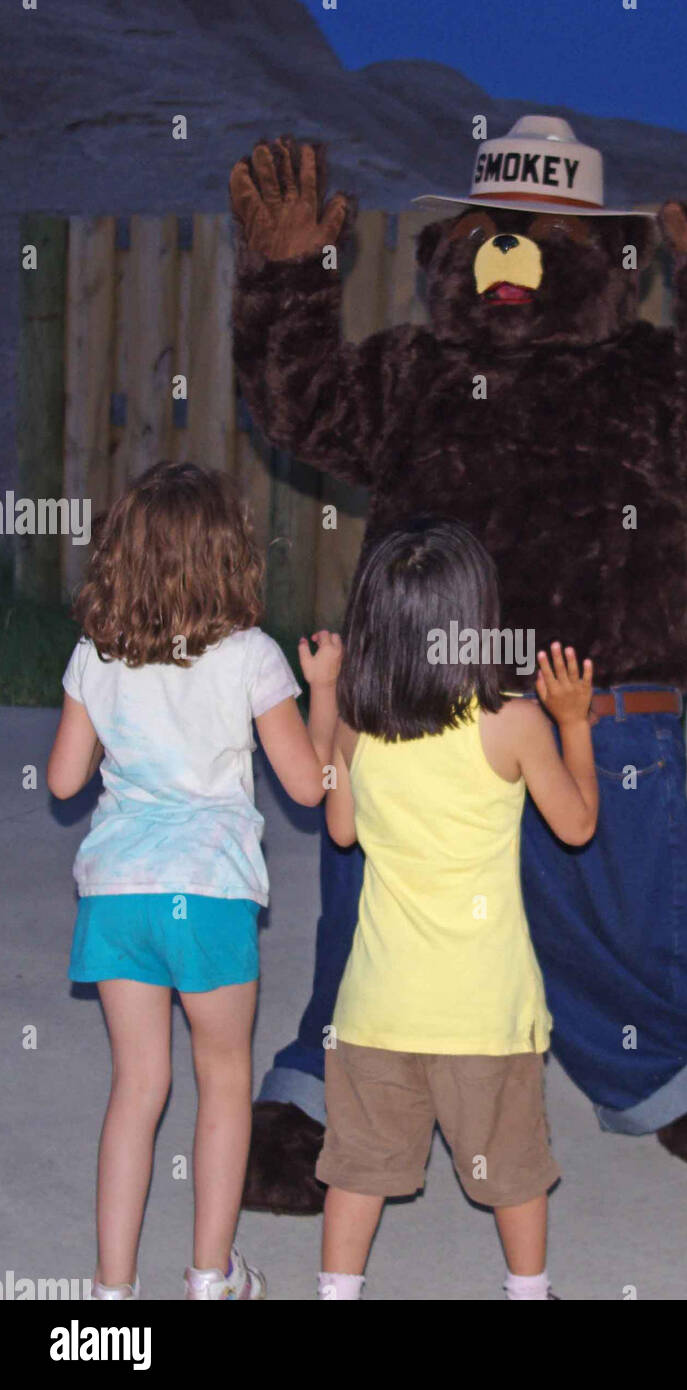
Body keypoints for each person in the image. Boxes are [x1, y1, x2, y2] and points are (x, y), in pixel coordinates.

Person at [47, 461, 341, 1300]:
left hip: (119, 894)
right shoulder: (251, 656)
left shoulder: (95, 653)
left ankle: (110, 1292)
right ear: (227, 556)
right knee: (223, 1084)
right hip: (208, 896)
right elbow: (306, 786)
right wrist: (321, 692)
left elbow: (65, 782)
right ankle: (211, 1278)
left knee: (136, 1088)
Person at [315, 518, 598, 1300]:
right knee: (513, 1169)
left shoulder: (354, 724)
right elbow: (577, 826)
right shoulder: (514, 724)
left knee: (360, 1168)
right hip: (484, 1012)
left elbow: (341, 830)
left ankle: (336, 1294)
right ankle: (528, 1291)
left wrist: (327, 704)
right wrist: (574, 723)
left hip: (375, 1007)